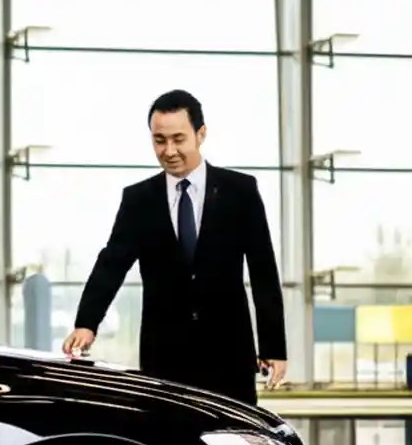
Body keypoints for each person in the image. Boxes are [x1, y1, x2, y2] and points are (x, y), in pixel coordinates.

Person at [61, 89, 286, 405]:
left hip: (228, 352)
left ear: (201, 134)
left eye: (178, 139)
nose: (169, 150)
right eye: (159, 140)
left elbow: (263, 270)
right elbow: (112, 263)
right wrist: (87, 323)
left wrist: (273, 347)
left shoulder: (240, 191)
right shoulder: (139, 199)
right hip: (164, 357)